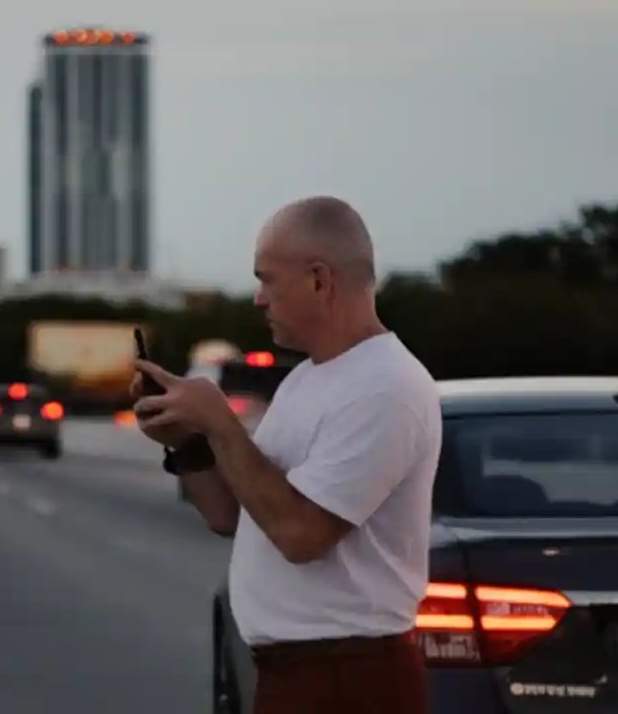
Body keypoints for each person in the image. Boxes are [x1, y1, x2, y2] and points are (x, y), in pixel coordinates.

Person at [132, 196, 442, 714]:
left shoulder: (386, 388)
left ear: (319, 280)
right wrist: (185, 440)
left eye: (267, 279)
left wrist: (220, 421)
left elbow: (301, 535)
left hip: (349, 680)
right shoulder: (307, 379)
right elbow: (230, 514)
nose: (258, 299)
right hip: (298, 676)